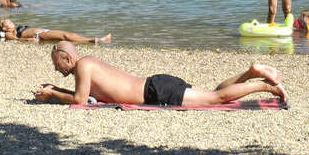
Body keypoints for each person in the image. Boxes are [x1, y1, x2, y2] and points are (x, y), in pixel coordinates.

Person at [34, 42, 285, 107]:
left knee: (216, 99)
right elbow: (86, 97)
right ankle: (251, 72)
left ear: (68, 58)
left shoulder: (82, 67)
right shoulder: (89, 62)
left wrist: (53, 93)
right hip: (156, 85)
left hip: (156, 91)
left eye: (57, 64)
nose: (57, 69)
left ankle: (267, 87)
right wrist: (56, 90)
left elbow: (79, 102)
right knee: (216, 92)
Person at [0, 19, 110, 44]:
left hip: (43, 33)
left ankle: (90, 40)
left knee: (65, 38)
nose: (10, 21)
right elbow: (16, 39)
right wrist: (28, 40)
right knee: (65, 35)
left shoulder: (14, 29)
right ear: (4, 28)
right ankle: (93, 40)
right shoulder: (7, 33)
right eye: (7, 22)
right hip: (40, 35)